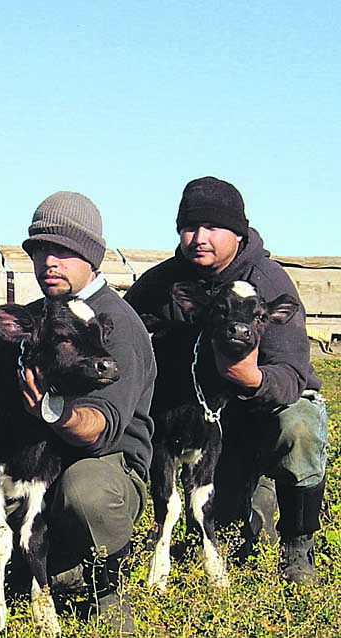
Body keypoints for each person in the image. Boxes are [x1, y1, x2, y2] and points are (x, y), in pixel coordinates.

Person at [123, 176, 328, 586]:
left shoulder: (268, 282)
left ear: (238, 232)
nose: (199, 237)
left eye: (213, 227)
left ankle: (297, 545)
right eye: (189, 227)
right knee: (228, 519)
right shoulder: (161, 284)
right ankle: (248, 501)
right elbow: (124, 335)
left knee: (301, 423)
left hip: (254, 414)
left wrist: (251, 379)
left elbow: (291, 371)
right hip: (189, 419)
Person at [18, 191, 155, 635]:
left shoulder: (117, 324)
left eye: (63, 250)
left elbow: (100, 429)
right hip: (40, 456)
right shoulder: (40, 316)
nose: (49, 262)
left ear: (92, 257)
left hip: (105, 462)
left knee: (85, 491)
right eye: (40, 250)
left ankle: (106, 585)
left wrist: (52, 413)